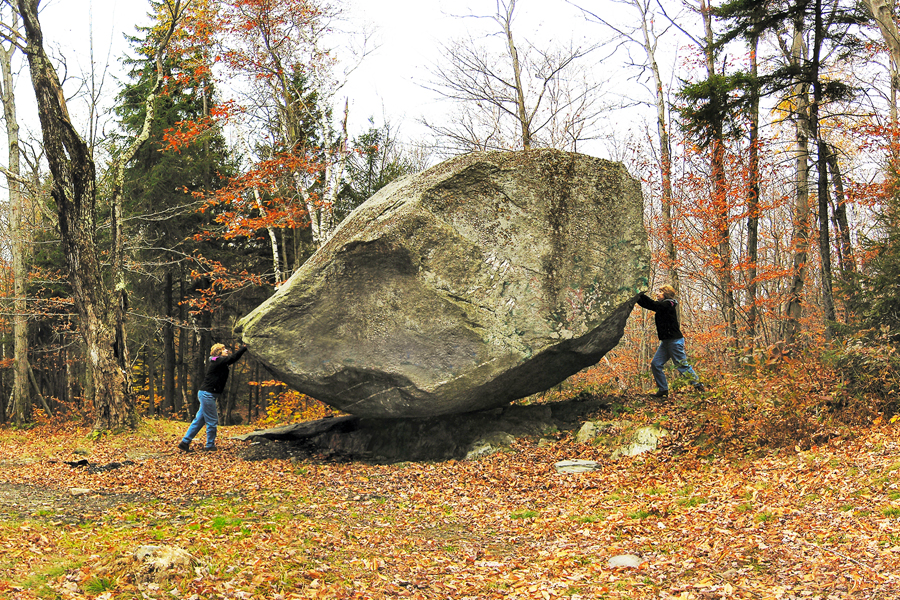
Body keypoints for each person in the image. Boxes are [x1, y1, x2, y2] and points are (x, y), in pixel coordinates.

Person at [636, 285, 705, 397]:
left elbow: (653, 305)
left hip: (675, 341)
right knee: (656, 364)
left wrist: (639, 294)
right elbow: (649, 304)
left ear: (666, 294)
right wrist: (637, 296)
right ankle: (663, 390)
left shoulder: (669, 304)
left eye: (660, 291)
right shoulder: (664, 305)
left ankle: (698, 386)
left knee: (682, 365)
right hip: (666, 342)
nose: (657, 293)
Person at [178, 343, 248, 452]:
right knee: (212, 421)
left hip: (208, 394)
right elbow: (233, 358)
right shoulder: (218, 360)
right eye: (224, 349)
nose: (226, 351)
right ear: (218, 352)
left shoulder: (219, 362)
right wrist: (244, 348)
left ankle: (185, 442)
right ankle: (210, 445)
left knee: (199, 420)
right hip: (207, 394)